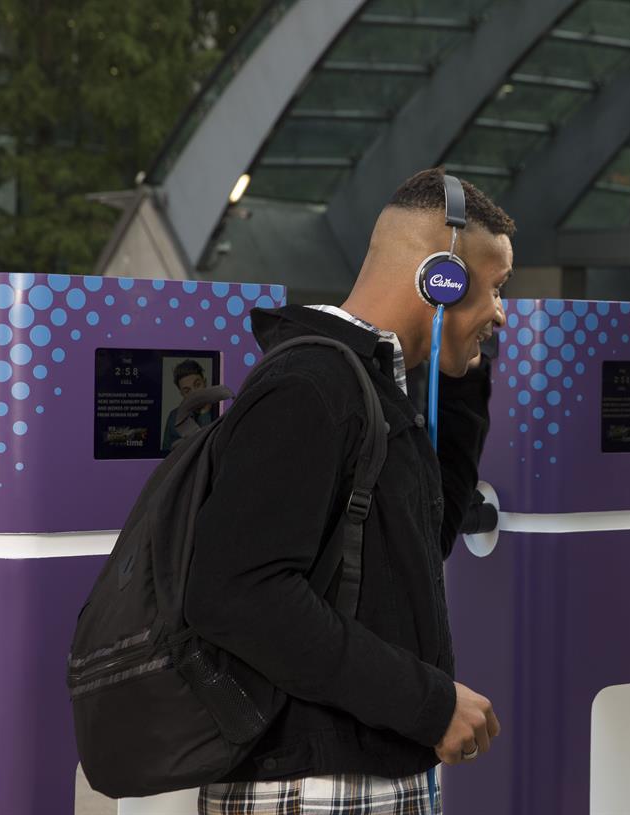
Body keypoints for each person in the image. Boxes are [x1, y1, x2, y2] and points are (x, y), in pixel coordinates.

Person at [184, 169, 511, 814]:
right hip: (310, 787)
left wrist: (466, 381)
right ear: (438, 280)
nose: (501, 310)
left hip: (366, 774)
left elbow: (422, 547)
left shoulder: (375, 388)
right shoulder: (308, 386)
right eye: (496, 288)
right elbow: (236, 594)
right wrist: (428, 702)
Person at [161, 358, 217, 453]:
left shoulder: (221, 409)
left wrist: (205, 413)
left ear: (205, 382)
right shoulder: (174, 417)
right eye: (187, 391)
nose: (194, 393)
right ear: (182, 394)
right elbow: (165, 455)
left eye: (197, 385)